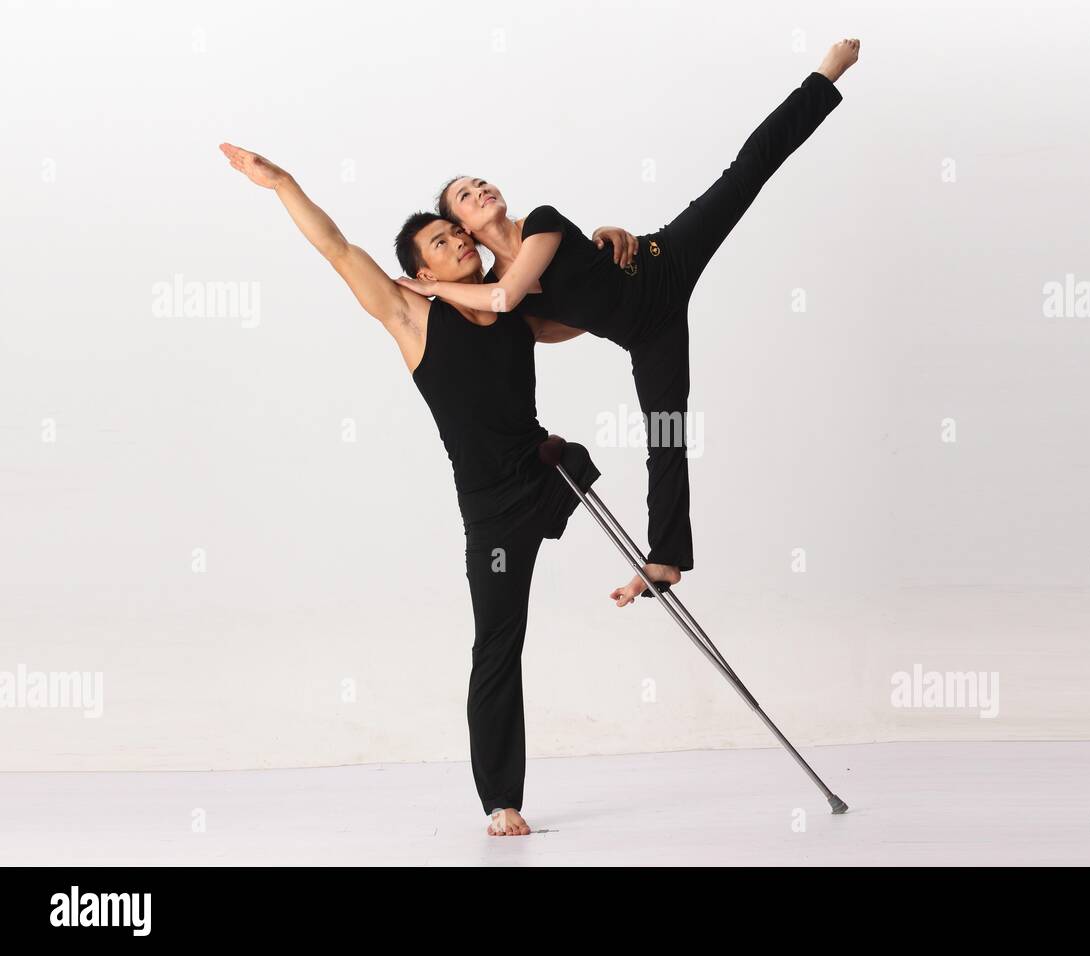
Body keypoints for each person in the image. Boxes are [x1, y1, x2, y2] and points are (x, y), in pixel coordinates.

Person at [218, 143, 638, 837]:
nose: (460, 244)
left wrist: (609, 246)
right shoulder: (410, 316)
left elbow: (590, 310)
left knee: (579, 459)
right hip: (493, 509)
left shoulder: (513, 312)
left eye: (459, 234)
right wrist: (284, 182)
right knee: (499, 643)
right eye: (443, 242)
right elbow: (336, 247)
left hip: (545, 467)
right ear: (422, 271)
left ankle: (646, 570)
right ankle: (501, 799)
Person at [398, 39, 859, 607]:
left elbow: (505, 296)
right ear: (460, 226)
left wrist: (430, 285)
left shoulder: (537, 224)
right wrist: (595, 306)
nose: (481, 191)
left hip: (659, 265)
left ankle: (823, 78)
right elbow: (554, 326)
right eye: (466, 196)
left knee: (744, 175)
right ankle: (664, 560)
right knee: (666, 437)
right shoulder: (501, 290)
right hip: (649, 335)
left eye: (481, 182)